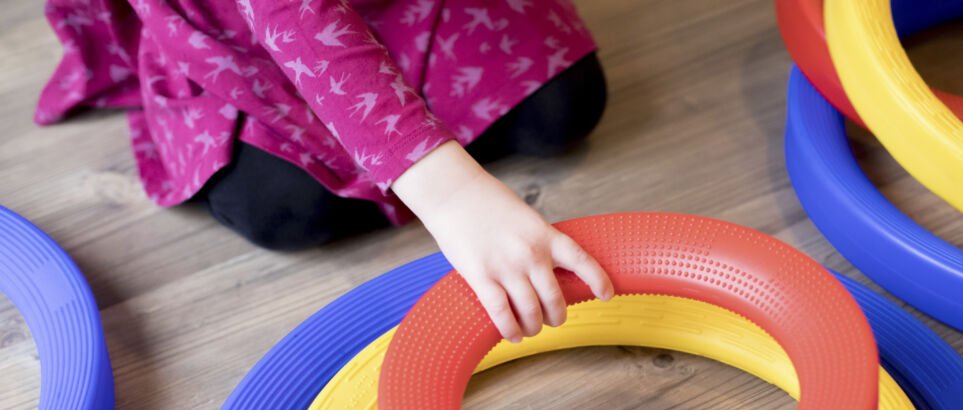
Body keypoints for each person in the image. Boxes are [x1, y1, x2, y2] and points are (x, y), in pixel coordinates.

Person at [36, 0, 614, 341]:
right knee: (283, 209)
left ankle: (412, 141)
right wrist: (451, 196)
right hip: (249, 28)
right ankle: (414, 156)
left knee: (565, 107)